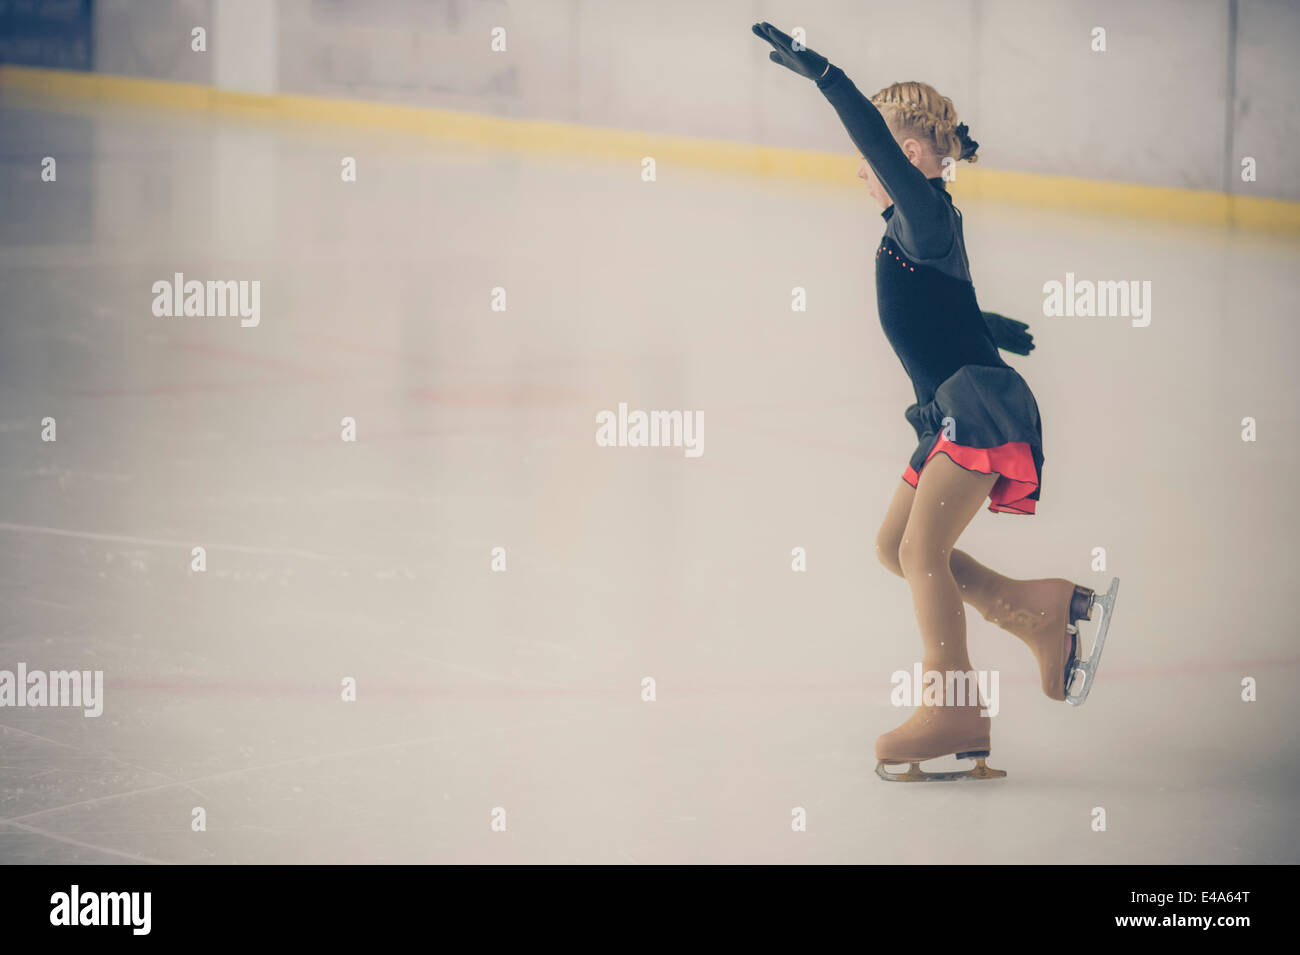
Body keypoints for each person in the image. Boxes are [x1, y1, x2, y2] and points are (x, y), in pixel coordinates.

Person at [752, 22, 1118, 781]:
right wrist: (985, 322)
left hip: (976, 408)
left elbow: (881, 152)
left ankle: (952, 702)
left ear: (910, 156)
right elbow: (938, 306)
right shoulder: (915, 229)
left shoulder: (922, 213)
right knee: (897, 548)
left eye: (873, 158)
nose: (864, 173)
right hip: (952, 405)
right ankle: (1037, 608)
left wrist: (829, 78)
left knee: (922, 551)